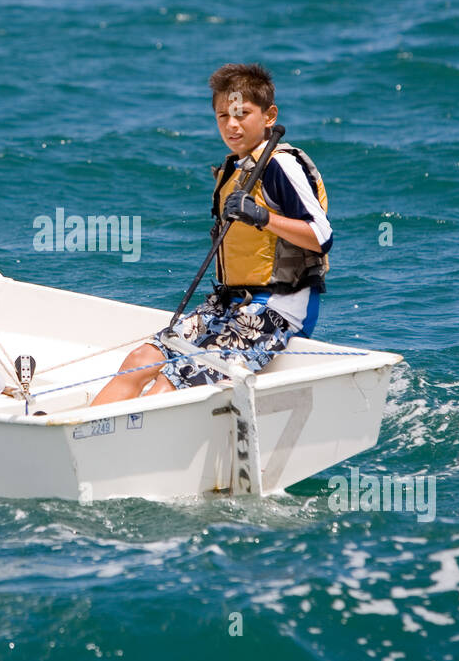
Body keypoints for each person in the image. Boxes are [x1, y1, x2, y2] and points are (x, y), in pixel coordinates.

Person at [89, 62, 332, 406]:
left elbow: (321, 236)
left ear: (269, 115)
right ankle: (77, 437)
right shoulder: (236, 166)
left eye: (242, 114)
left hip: (276, 309)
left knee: (169, 385)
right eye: (222, 116)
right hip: (230, 304)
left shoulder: (280, 166)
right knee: (139, 361)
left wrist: (261, 216)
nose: (231, 125)